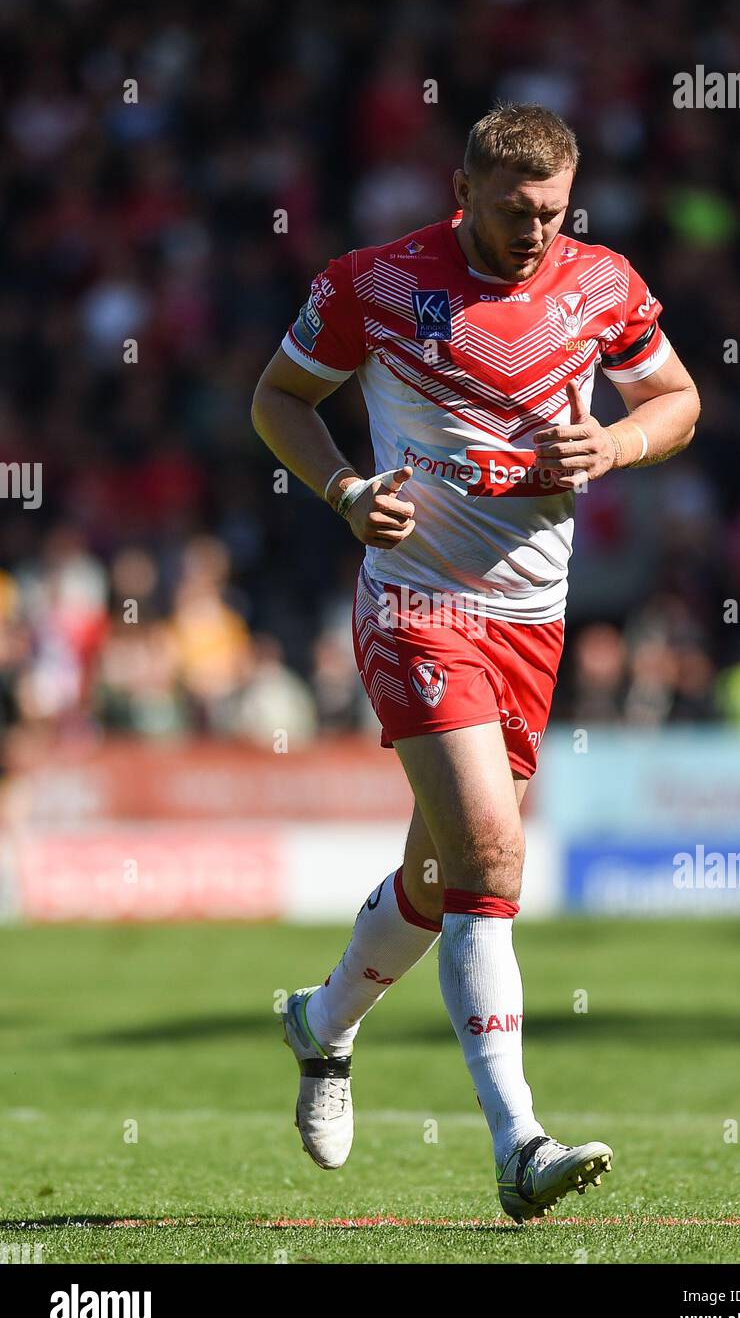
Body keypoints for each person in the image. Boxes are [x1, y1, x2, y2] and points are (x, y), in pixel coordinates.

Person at [251, 103, 700, 1222]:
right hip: (417, 606)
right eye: (512, 210)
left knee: (443, 877)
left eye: (551, 211)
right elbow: (278, 398)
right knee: (493, 859)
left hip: (530, 620)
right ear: (463, 187)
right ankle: (518, 1142)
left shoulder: (602, 285)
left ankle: (322, 1023)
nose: (534, 232)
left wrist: (617, 442)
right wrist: (348, 490)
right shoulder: (379, 284)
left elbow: (678, 400)